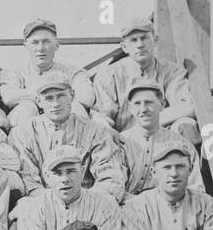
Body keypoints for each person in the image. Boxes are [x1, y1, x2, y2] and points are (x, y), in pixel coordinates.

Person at [8, 70, 127, 201]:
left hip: (88, 202)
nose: (55, 104)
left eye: (61, 96)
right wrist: (55, 206)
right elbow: (28, 182)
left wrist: (85, 204)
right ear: (38, 101)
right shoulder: (23, 133)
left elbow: (111, 178)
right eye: (48, 98)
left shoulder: (95, 131)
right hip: (42, 204)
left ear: (72, 95)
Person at [11, 145, 122, 230]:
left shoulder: (105, 205)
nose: (65, 179)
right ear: (47, 177)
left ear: (82, 171)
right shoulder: (33, 208)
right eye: (58, 173)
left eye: (71, 171)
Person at [91, 16, 199, 143]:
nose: (140, 45)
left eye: (144, 38)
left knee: (186, 124)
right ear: (124, 47)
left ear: (155, 40)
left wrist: (143, 128)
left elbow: (185, 106)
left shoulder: (172, 71)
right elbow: (102, 116)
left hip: (162, 139)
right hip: (123, 142)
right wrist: (123, 137)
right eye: (133, 40)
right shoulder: (109, 75)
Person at [0, 18, 97, 132]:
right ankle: (22, 149)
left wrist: (47, 100)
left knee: (75, 108)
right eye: (35, 42)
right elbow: (8, 97)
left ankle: (73, 148)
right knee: (26, 108)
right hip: (28, 129)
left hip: (64, 126)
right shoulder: (15, 72)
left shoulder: (72, 71)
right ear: (26, 45)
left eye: (46, 42)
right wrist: (54, 95)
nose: (40, 48)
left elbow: (87, 97)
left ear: (57, 44)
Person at [118, 80, 204, 196]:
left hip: (167, 209)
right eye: (137, 103)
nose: (143, 109)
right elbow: (112, 187)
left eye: (149, 103)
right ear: (130, 108)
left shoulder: (181, 144)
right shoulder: (120, 142)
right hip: (127, 208)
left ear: (162, 105)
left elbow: (195, 190)